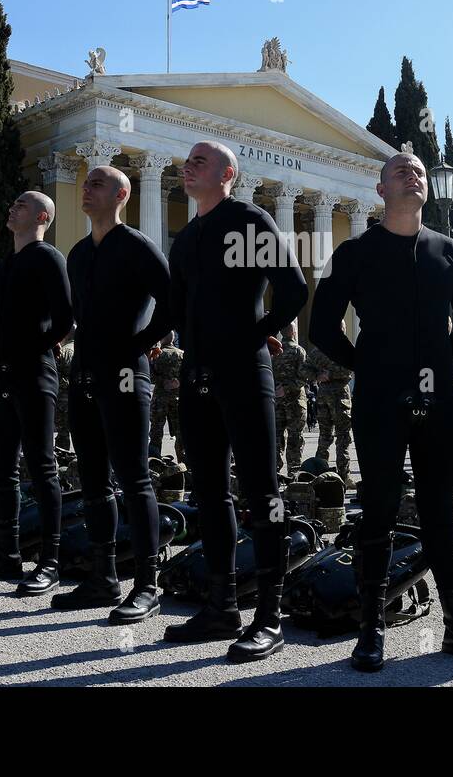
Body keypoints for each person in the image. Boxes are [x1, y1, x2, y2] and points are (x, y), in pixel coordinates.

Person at [313, 152, 453, 671]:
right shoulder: (352, 252)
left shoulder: (451, 251)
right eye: (400, 170)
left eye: (418, 171)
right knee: (377, 509)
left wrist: (439, 360)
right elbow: (321, 327)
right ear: (379, 190)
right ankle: (370, 629)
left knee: (442, 511)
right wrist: (368, 366)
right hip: (380, 399)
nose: (412, 175)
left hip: (439, 398)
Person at [164, 140, 307, 662]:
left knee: (261, 491)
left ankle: (269, 617)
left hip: (246, 374)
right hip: (198, 377)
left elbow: (292, 290)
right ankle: (221, 606)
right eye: (188, 160)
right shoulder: (187, 239)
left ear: (228, 174)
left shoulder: (249, 220)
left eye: (200, 160)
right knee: (208, 492)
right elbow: (178, 306)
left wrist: (256, 334)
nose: (188, 164)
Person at [52, 170, 170, 621]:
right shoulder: (79, 254)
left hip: (126, 376)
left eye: (97, 184)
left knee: (134, 478)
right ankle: (103, 577)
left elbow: (171, 299)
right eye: (85, 184)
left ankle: (147, 582)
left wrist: (141, 343)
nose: (86, 189)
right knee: (94, 479)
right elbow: (75, 316)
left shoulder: (136, 245)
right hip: (84, 376)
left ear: (121, 195)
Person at [0, 192, 72, 594]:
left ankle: (50, 560)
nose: (12, 207)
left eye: (22, 205)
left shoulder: (48, 257)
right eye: (13, 204)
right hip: (5, 376)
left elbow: (65, 317)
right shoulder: (5, 264)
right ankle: (6, 553)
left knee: (42, 466)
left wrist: (37, 346)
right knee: (2, 465)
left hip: (36, 372)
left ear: (42, 216)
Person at [306, 324, 353, 479]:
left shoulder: (318, 349)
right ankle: (344, 476)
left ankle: (320, 473)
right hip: (340, 397)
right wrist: (329, 374)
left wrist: (319, 375)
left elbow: (305, 369)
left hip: (323, 396)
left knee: (325, 436)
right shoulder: (344, 348)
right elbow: (349, 368)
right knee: (343, 437)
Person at [273, 321, 308, 475]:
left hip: (277, 400)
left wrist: (278, 389)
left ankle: (274, 472)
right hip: (295, 401)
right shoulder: (299, 351)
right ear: (293, 333)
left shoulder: (274, 351)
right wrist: (287, 389)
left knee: (276, 437)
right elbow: (304, 378)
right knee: (295, 437)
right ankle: (293, 473)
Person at [148, 334, 184, 461]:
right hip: (177, 399)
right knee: (181, 431)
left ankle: (154, 460)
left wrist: (162, 381)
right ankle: (183, 460)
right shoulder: (182, 354)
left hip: (159, 399)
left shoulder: (157, 354)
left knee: (156, 431)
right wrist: (177, 382)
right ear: (173, 339)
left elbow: (150, 377)